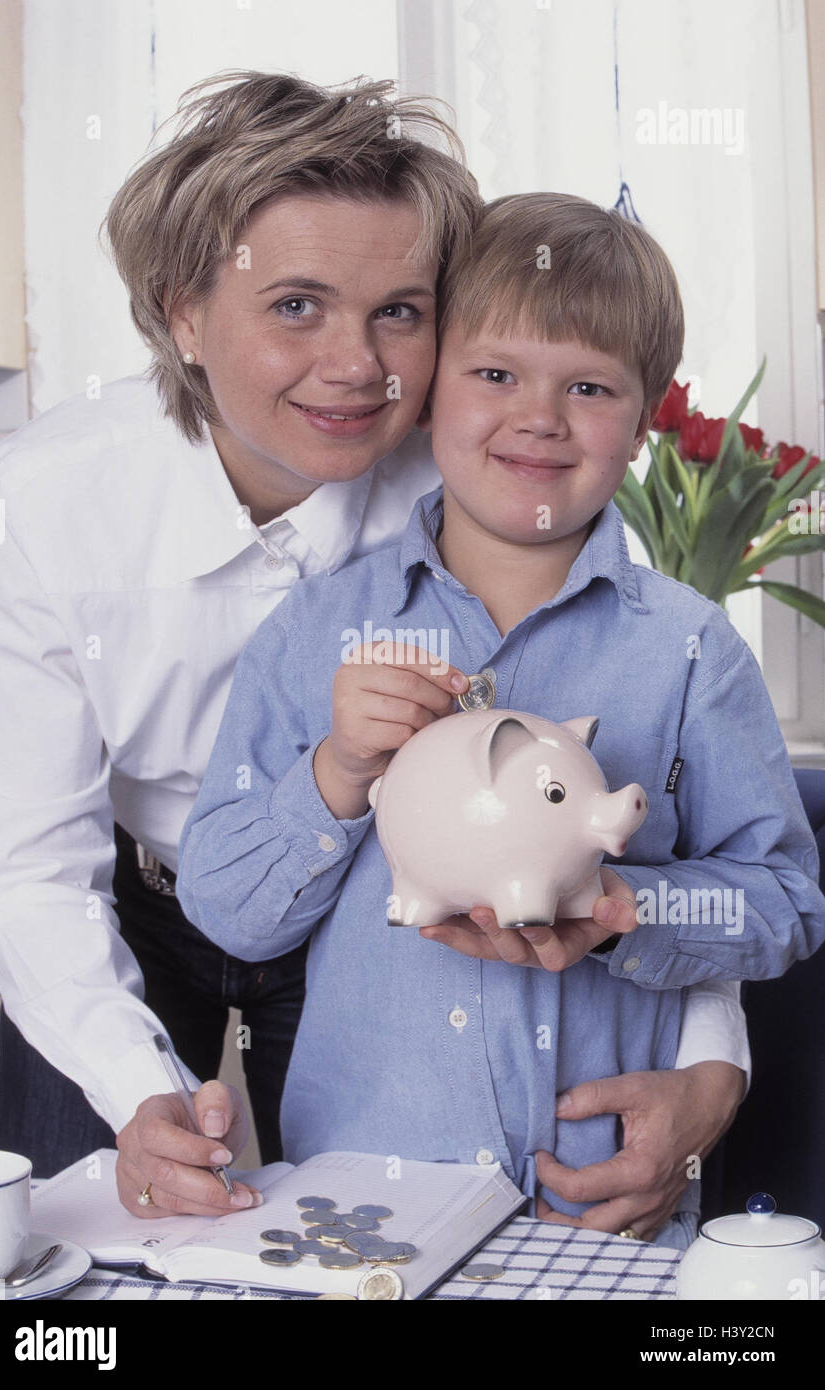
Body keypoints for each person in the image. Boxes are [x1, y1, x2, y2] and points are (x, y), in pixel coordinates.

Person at [0, 72, 746, 1228]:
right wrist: (138, 1094)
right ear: (183, 310)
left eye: (399, 309)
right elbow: (30, 865)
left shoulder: (486, 472)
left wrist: (709, 1070)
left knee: (380, 1243)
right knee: (67, 1242)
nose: (356, 365)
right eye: (294, 305)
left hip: (378, 911)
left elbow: (638, 788)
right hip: (131, 907)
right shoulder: (44, 502)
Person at [177, 191, 825, 1249]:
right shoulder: (316, 630)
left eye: (587, 385)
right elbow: (227, 910)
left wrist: (625, 908)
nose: (539, 416)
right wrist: (340, 769)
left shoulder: (689, 650)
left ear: (644, 415)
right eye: (493, 375)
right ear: (427, 390)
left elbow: (782, 904)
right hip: (364, 1207)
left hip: (601, 1202)